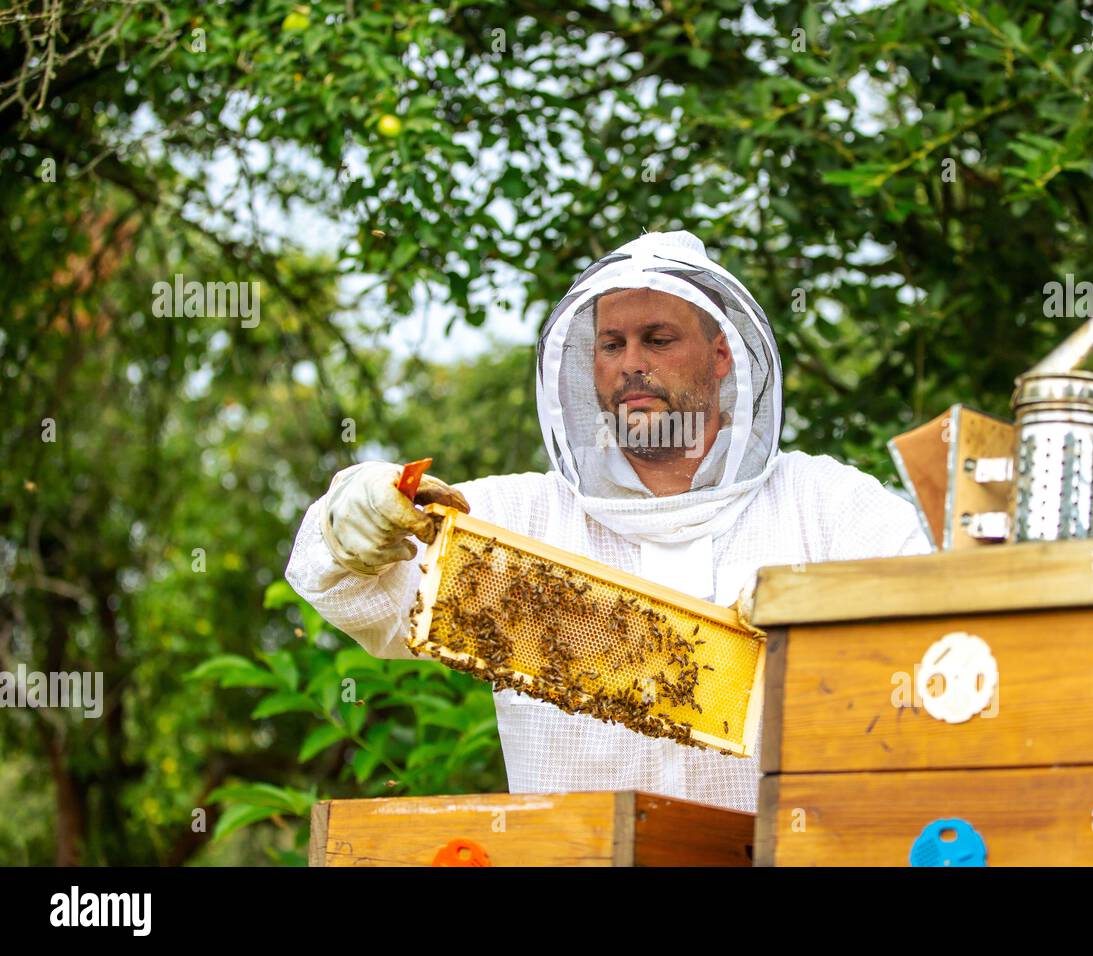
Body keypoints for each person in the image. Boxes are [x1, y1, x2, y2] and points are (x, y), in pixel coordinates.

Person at [285, 230, 930, 812]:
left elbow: (943, 623)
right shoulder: (526, 518)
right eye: (611, 344)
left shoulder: (825, 504)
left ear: (722, 355)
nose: (630, 365)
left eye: (658, 338)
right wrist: (353, 512)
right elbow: (350, 592)